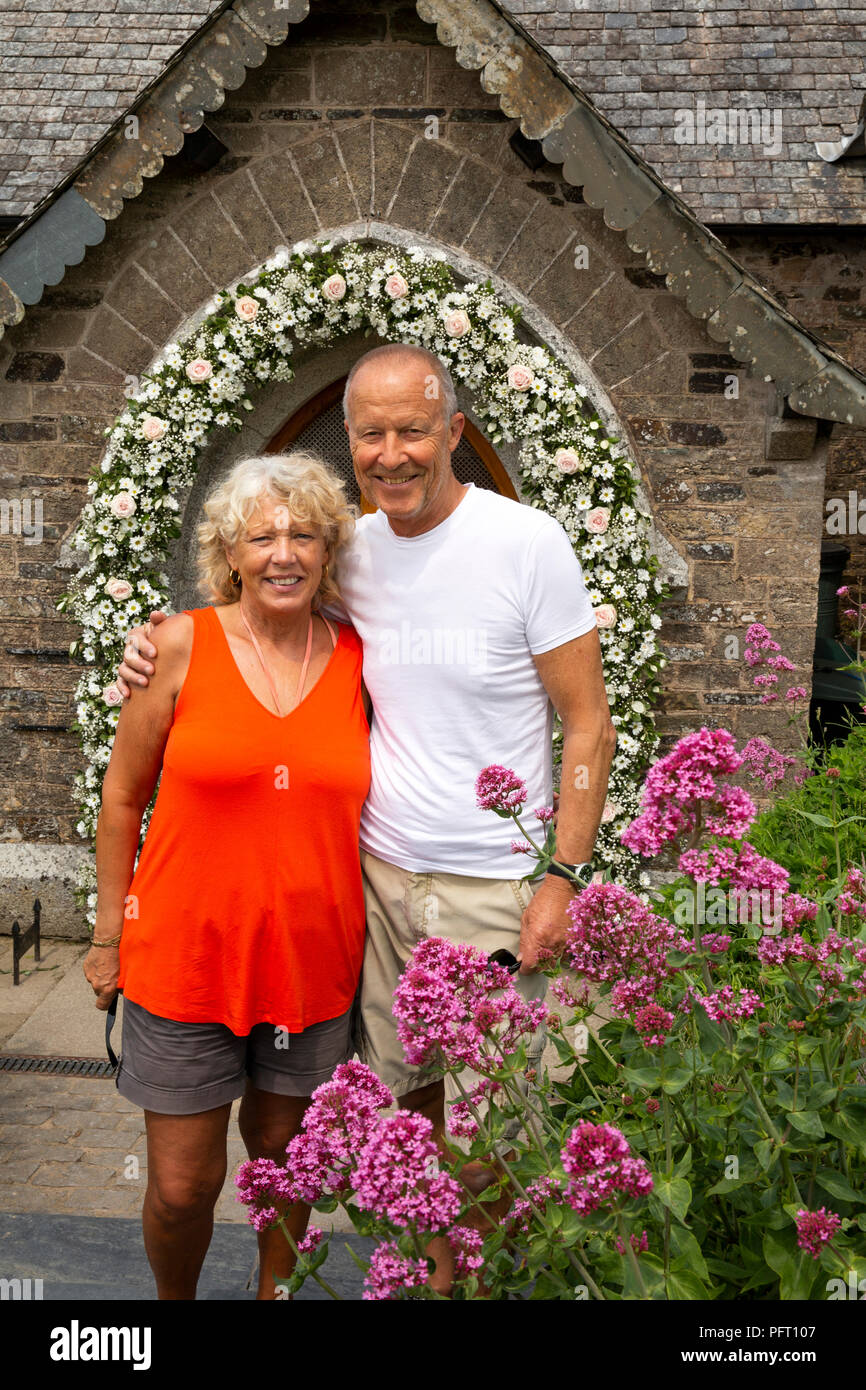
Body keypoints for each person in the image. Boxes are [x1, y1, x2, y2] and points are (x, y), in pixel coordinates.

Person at [118, 343, 617, 1291]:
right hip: (376, 890)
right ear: (350, 441)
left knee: (491, 1147)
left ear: (455, 433)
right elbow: (257, 601)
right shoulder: (352, 551)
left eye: (414, 431)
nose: (393, 454)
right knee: (410, 1136)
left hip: (493, 891)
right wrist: (153, 649)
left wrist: (562, 875)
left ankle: (469, 1287)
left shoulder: (527, 543)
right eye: (372, 434)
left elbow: (588, 716)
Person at [85, 451, 370, 1300]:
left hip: (312, 964)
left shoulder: (361, 655)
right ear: (231, 553)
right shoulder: (174, 646)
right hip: (184, 957)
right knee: (182, 1189)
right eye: (263, 535)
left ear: (327, 552)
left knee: (286, 1181)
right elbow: (121, 796)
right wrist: (107, 938)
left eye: (304, 535)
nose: (284, 552)